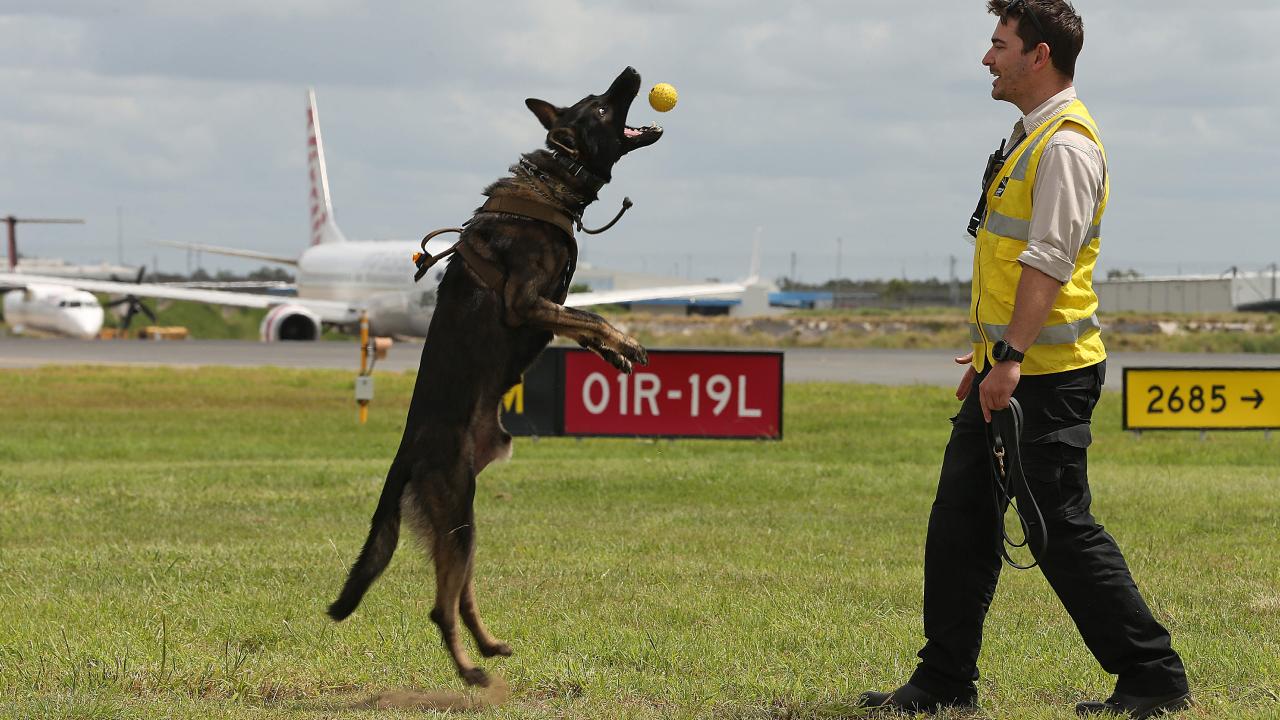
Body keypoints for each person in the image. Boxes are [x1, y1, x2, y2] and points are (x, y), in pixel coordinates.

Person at [858, 1, 1191, 717]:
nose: (987, 58)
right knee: (960, 526)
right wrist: (988, 360)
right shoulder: (1029, 136)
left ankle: (1154, 676)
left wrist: (1008, 357)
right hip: (1006, 371)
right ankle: (944, 682)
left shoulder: (1065, 146)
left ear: (1038, 55)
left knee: (1059, 527)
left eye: (998, 44)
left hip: (1046, 377)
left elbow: (1047, 265)